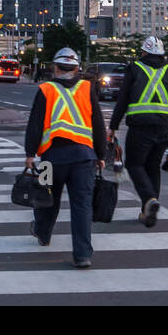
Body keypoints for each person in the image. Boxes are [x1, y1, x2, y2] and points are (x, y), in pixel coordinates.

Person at [24, 46, 107, 268]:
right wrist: (101, 154)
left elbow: (35, 125)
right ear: (77, 68)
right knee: (82, 206)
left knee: (45, 198)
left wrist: (30, 154)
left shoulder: (45, 90)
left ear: (55, 68)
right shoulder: (88, 89)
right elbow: (98, 124)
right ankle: (82, 255)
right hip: (84, 158)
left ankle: (43, 234)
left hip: (51, 159)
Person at [108, 35, 168, 228]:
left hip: (141, 127)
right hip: (166, 128)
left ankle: (149, 200)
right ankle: (148, 212)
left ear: (144, 52)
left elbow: (123, 99)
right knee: (152, 167)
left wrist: (113, 126)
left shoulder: (134, 68)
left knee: (135, 165)